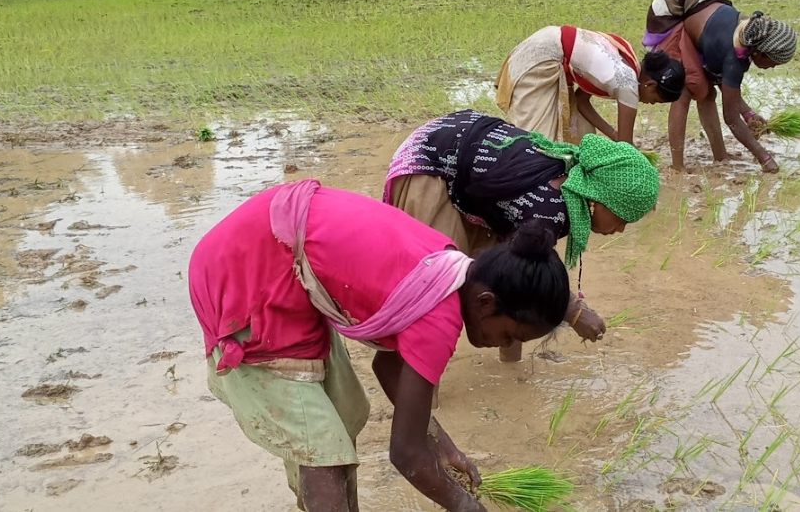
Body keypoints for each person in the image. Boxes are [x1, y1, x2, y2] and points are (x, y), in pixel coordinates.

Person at [188, 179, 570, 512]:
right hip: (247, 269)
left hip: (278, 250)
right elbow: (405, 454)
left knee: (345, 414)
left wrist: (445, 448)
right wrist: (466, 505)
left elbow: (389, 366)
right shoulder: (437, 317)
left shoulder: (448, 269)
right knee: (322, 448)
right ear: (486, 303)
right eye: (509, 335)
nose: (502, 344)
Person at [384, 109, 661, 368]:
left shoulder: (570, 181)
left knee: (510, 284)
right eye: (623, 218)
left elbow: (521, 279)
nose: (620, 229)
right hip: (433, 159)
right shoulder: (548, 209)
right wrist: (574, 312)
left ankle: (510, 367)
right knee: (435, 290)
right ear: (599, 199)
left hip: (469, 164)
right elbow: (526, 277)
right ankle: (418, 388)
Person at [643, 0, 798, 173]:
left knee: (707, 93)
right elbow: (731, 118)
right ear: (760, 52)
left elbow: (727, 87)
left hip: (697, 8)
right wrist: (764, 158)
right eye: (773, 62)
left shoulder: (749, 34)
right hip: (669, 12)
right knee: (685, 88)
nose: (772, 67)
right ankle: (678, 166)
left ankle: (720, 156)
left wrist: (749, 114)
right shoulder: (735, 56)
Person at [495, 25, 686, 146]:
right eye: (656, 100)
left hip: (546, 44)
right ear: (650, 84)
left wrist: (613, 134)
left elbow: (581, 101)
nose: (651, 104)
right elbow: (626, 148)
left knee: (581, 136)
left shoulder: (629, 61)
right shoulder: (627, 82)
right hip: (540, 58)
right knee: (535, 142)